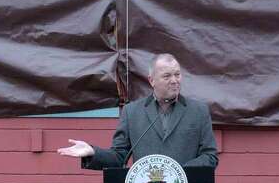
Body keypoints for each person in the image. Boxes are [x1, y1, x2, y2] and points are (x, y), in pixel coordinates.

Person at [57, 53, 218, 169]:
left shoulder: (198, 111)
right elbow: (119, 156)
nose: (174, 80)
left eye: (177, 74)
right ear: (151, 80)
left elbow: (210, 157)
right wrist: (93, 152)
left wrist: (179, 172)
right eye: (167, 76)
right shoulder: (132, 112)